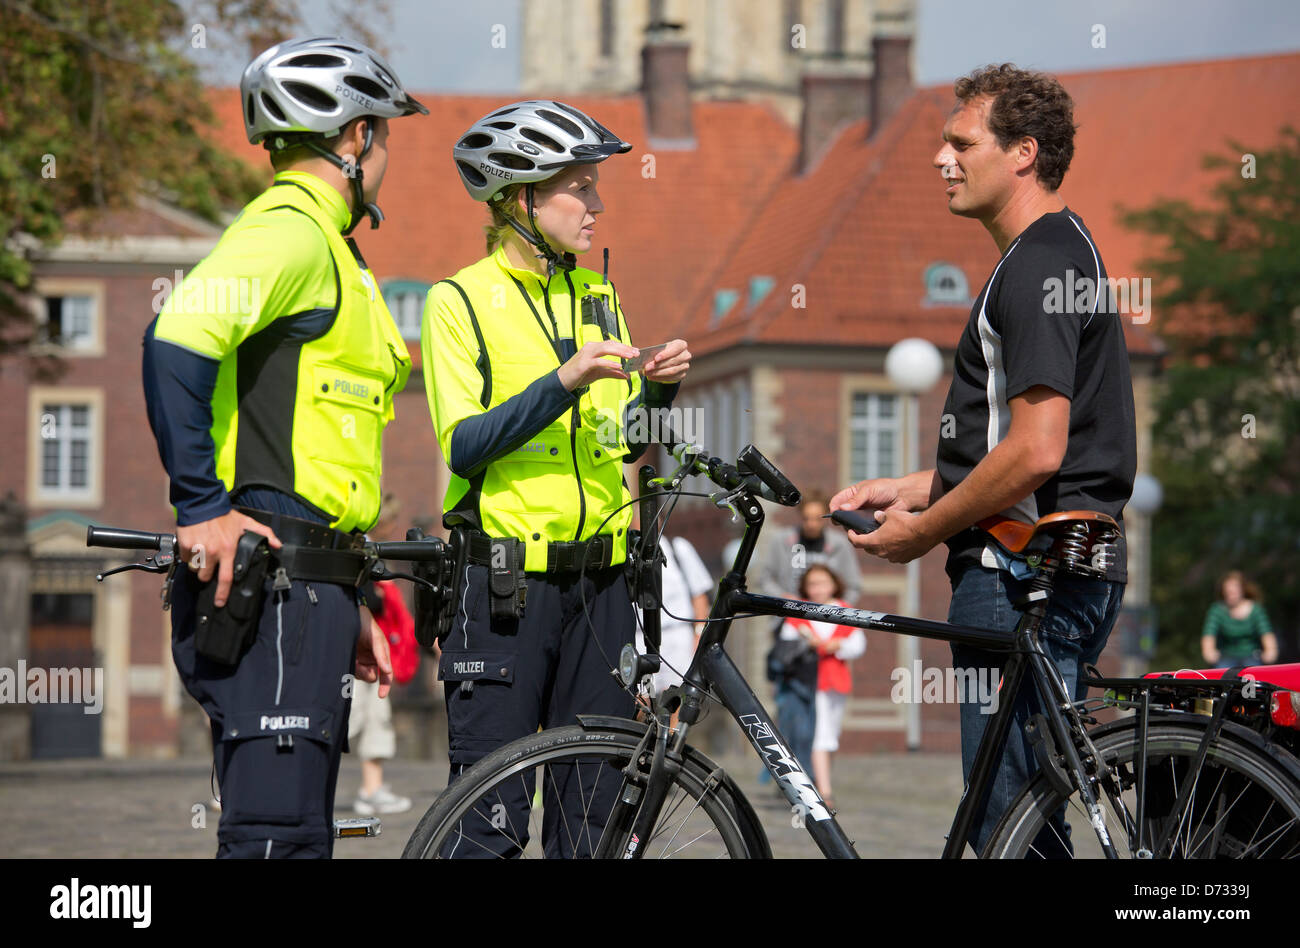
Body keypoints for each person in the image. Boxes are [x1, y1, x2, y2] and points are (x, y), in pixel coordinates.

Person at [830, 64, 1136, 856]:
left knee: (1010, 828)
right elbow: (1018, 444)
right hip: (1049, 560)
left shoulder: (1036, 266)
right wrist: (904, 486)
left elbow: (1037, 450)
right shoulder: (1057, 253)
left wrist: (923, 529)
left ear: (1023, 152)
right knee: (1019, 819)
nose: (941, 159)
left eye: (961, 142)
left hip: (1020, 571)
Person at [142, 37, 426, 857]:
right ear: (354, 140)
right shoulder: (293, 234)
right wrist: (200, 507)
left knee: (300, 835)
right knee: (272, 836)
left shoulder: (333, 251)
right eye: (386, 138)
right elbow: (175, 339)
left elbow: (323, 452)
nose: (388, 159)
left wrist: (359, 598)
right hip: (270, 584)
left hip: (313, 586)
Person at [422, 100, 691, 856]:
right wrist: (561, 383)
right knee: (488, 823)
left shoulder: (599, 298)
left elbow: (627, 442)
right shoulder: (458, 301)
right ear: (521, 197)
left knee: (592, 823)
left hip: (603, 588)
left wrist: (661, 391)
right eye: (581, 187)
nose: (598, 205)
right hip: (506, 587)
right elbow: (465, 445)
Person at [756, 490, 861, 785]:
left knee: (826, 715)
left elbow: (852, 587)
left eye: (818, 518)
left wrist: (831, 609)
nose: (812, 524)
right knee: (791, 707)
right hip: (791, 636)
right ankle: (790, 774)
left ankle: (817, 776)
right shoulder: (783, 542)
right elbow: (766, 579)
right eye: (807, 518)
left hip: (827, 637)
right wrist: (787, 600)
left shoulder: (838, 546)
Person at [350, 497, 419, 816]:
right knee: (350, 721)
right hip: (361, 652)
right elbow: (373, 603)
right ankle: (370, 789)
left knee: (374, 720)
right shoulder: (361, 550)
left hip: (370, 655)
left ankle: (372, 787)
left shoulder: (368, 550)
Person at [777, 565, 865, 809]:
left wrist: (837, 646)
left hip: (834, 679)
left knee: (830, 733)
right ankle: (823, 790)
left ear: (834, 584)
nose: (817, 589)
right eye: (812, 584)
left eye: (822, 583)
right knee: (819, 733)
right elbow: (787, 643)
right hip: (807, 680)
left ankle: (820, 781)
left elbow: (857, 644)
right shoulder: (800, 612)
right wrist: (809, 644)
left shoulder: (845, 610)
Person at [633, 532, 713, 695]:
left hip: (677, 636)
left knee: (677, 696)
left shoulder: (678, 547)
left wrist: (698, 635)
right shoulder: (629, 550)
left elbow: (699, 594)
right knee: (643, 697)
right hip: (640, 638)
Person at [1202, 571, 1278, 667]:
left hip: (1252, 656)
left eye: (1234, 591)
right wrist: (1209, 652)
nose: (1231, 594)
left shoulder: (1256, 610)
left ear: (1242, 590)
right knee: (1223, 675)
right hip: (1227, 657)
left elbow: (1266, 633)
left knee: (1254, 676)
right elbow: (1209, 634)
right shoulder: (1217, 610)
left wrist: (1270, 650)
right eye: (1228, 592)